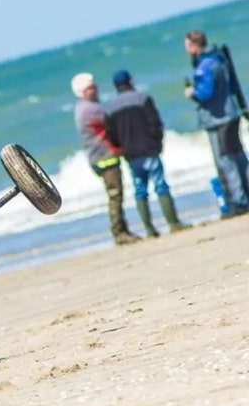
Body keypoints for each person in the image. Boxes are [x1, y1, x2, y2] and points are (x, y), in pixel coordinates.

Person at [104, 69, 191, 236]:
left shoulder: (110, 109)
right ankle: (173, 223)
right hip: (148, 150)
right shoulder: (142, 99)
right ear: (130, 81)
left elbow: (111, 136)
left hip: (131, 154)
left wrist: (122, 148)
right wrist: (157, 143)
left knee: (140, 189)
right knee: (160, 185)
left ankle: (149, 229)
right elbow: (155, 123)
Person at [183, 29, 249, 217]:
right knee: (238, 156)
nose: (187, 50)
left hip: (218, 119)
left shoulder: (205, 65)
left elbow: (206, 93)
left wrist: (192, 93)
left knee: (226, 160)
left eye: (187, 46)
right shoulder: (219, 58)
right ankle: (243, 196)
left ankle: (239, 201)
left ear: (194, 46)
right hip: (231, 113)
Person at [71, 72, 141, 245]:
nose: (95, 90)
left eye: (94, 86)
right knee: (115, 195)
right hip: (104, 157)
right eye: (90, 88)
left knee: (115, 194)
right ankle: (119, 232)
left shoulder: (84, 107)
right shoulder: (90, 109)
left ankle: (121, 229)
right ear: (82, 92)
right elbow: (111, 120)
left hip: (101, 157)